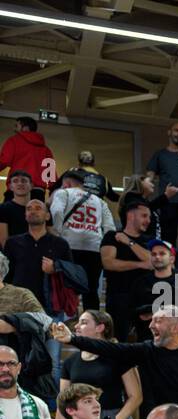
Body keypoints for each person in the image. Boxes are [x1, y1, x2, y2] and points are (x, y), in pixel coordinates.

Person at [48, 169, 115, 311]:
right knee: (91, 290)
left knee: (66, 288)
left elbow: (57, 211)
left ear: (66, 183)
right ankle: (92, 324)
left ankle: (66, 325)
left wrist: (58, 233)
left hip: (69, 246)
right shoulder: (99, 201)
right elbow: (110, 227)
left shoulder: (63, 193)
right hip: (94, 249)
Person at [2, 198, 72, 314]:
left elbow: (71, 273)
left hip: (50, 306)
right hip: (18, 304)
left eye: (38, 208)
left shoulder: (60, 244)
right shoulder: (12, 242)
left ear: (47, 216)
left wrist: (55, 268)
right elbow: (6, 275)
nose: (33, 211)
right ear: (25, 215)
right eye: (29, 209)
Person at [0, 117, 54, 192]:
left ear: (26, 128)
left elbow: (4, 161)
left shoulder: (13, 141)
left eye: (17, 126)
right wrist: (53, 189)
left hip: (17, 188)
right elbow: (51, 173)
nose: (14, 129)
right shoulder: (46, 149)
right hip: (38, 191)